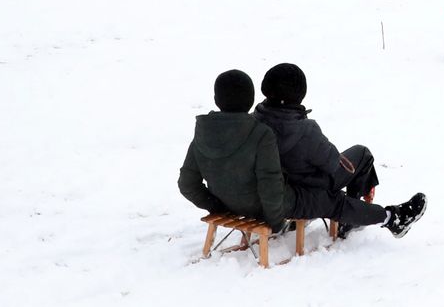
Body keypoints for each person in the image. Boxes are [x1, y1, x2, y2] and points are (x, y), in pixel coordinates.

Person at [253, 63, 426, 240]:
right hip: (310, 187)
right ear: (300, 94)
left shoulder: (254, 120)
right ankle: (359, 218)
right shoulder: (305, 130)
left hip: (278, 188)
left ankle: (364, 215)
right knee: (362, 154)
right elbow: (331, 162)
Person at [177, 70, 292, 231]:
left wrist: (216, 205)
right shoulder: (261, 133)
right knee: (310, 194)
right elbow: (270, 184)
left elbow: (187, 184)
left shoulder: (205, 132)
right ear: (251, 99)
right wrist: (276, 223)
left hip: (225, 203)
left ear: (217, 99)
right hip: (260, 209)